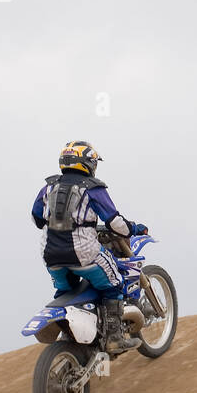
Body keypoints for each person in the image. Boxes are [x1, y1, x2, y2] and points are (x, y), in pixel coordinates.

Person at [30, 141, 148, 353]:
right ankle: (114, 338)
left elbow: (37, 218)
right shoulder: (93, 188)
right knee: (115, 282)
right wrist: (133, 228)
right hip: (84, 253)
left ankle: (70, 334)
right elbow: (115, 223)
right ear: (87, 163)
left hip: (51, 255)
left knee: (66, 290)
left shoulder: (48, 187)